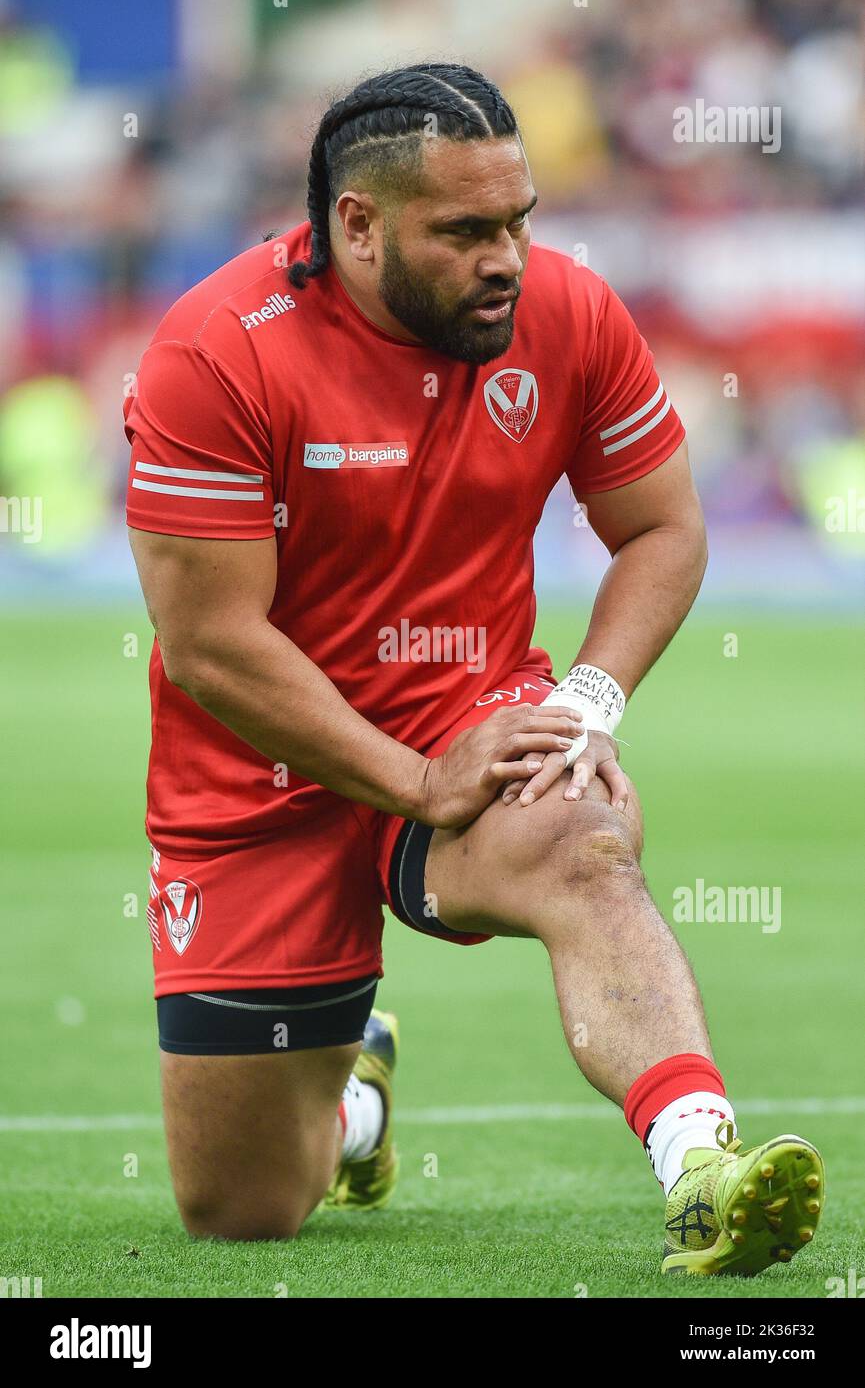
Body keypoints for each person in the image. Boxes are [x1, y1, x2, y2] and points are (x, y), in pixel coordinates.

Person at [124, 62, 823, 1274]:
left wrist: (581, 706)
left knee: (578, 832)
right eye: (463, 231)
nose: (506, 257)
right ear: (356, 225)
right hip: (257, 780)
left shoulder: (571, 315)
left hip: (473, 713)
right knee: (239, 1213)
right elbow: (211, 645)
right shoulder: (214, 352)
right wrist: (411, 779)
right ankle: (356, 1105)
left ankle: (700, 1162)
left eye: (518, 220)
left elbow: (661, 527)